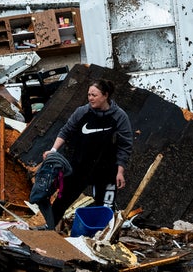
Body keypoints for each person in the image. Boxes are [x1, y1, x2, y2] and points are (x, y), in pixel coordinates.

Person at [31, 79, 133, 230]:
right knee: (62, 199)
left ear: (105, 95)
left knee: (105, 206)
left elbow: (125, 146)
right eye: (89, 94)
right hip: (79, 166)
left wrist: (120, 171)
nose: (90, 98)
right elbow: (65, 131)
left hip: (106, 169)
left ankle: (104, 236)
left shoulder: (119, 116)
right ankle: (49, 227)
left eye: (94, 95)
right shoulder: (82, 112)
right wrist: (53, 151)